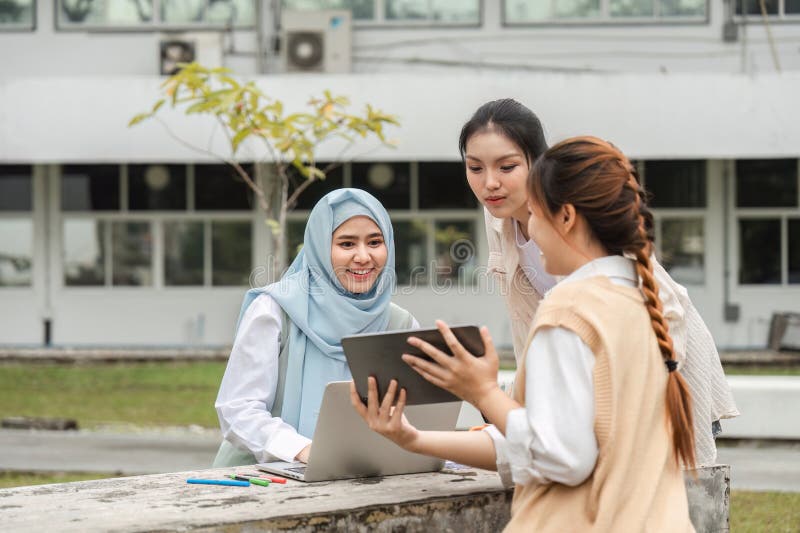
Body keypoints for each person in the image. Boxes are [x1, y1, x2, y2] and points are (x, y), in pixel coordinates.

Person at [352, 136, 697, 531]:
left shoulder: (570, 309)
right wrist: (413, 440)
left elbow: (562, 456)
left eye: (533, 213)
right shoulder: (638, 304)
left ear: (565, 217)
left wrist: (482, 393)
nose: (528, 229)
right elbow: (545, 438)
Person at [459, 99, 737, 465]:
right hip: (588, 386)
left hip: (661, 366)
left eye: (507, 166)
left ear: (537, 163)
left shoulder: (583, 207)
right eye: (475, 168)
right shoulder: (497, 216)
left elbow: (665, 306)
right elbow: (527, 319)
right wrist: (528, 401)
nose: (489, 183)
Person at [213, 188, 417, 467]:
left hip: (362, 474)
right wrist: (304, 450)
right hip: (262, 480)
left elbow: (412, 412)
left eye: (374, 242)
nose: (363, 256)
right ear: (320, 247)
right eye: (346, 244)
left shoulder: (399, 323)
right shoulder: (275, 310)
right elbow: (238, 409)